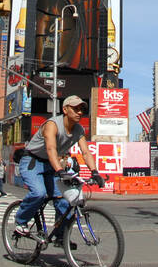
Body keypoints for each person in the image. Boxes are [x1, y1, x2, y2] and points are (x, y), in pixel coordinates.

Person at [12, 95, 102, 240]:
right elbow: (51, 149)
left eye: (82, 109)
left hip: (50, 164)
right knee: (39, 193)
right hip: (32, 161)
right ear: (65, 109)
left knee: (64, 201)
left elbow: (85, 152)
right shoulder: (52, 125)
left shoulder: (78, 129)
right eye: (76, 108)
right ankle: (21, 221)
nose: (80, 112)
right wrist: (60, 171)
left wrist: (95, 172)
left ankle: (61, 237)